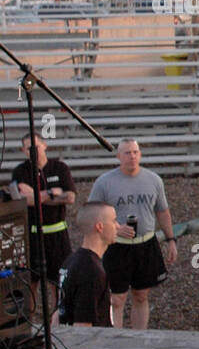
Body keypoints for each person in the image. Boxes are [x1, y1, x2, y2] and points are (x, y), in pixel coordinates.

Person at [87, 139, 178, 330]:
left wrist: (171, 239)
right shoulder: (105, 182)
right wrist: (115, 227)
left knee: (141, 295)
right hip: (116, 245)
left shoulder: (153, 180)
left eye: (135, 152)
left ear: (140, 154)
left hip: (145, 244)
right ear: (118, 156)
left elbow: (162, 211)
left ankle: (139, 337)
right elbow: (92, 212)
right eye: (127, 153)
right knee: (117, 298)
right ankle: (115, 338)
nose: (132, 156)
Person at [9, 132, 76, 319]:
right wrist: (51, 193)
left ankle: (58, 324)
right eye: (28, 148)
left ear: (44, 145)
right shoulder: (20, 171)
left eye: (36, 146)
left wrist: (36, 195)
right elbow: (24, 200)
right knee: (29, 284)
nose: (33, 151)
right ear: (23, 151)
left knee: (59, 284)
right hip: (31, 237)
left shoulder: (60, 168)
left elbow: (70, 197)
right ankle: (29, 325)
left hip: (58, 236)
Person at [58, 202, 117, 328]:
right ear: (100, 227)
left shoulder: (71, 260)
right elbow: (82, 326)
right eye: (113, 221)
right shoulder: (90, 270)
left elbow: (57, 315)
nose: (117, 226)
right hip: (92, 340)